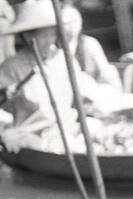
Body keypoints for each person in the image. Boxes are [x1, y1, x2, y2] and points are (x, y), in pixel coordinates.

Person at [0, 1, 79, 150]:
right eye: (43, 34)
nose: (49, 39)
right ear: (26, 35)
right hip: (30, 139)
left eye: (52, 32)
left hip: (66, 132)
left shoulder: (63, 60)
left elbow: (83, 90)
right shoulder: (12, 68)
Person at [59, 4, 122, 92]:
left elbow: (105, 72)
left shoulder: (90, 43)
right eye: (66, 23)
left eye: (74, 21)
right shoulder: (55, 49)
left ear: (80, 23)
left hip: (90, 92)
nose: (71, 27)